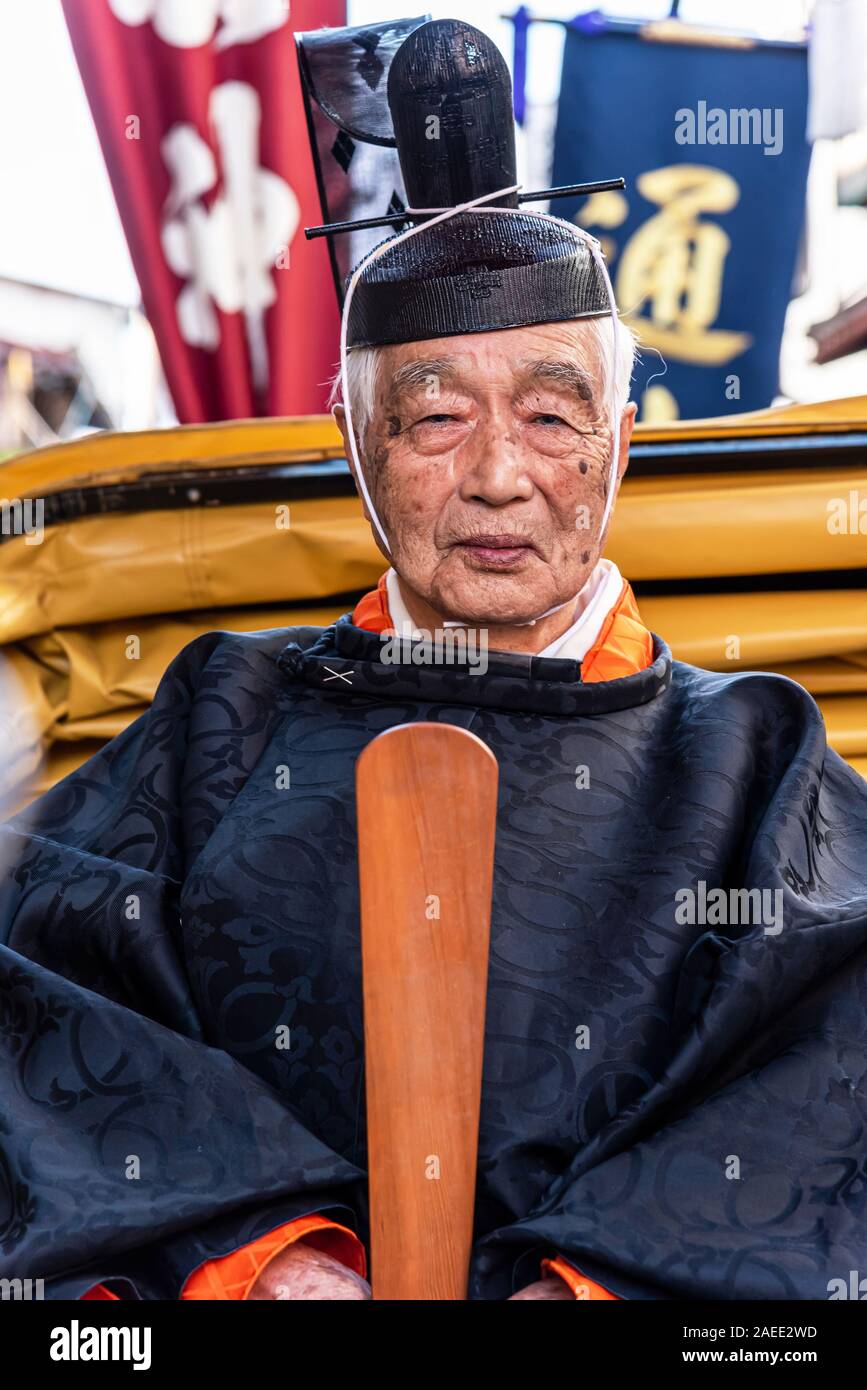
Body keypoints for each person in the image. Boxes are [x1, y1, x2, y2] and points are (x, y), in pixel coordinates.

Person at [1, 18, 866, 1303]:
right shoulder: (219, 720)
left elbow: (826, 1073)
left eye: (554, 414)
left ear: (622, 441)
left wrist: (583, 1286)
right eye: (437, 418)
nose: (500, 476)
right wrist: (273, 1263)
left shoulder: (757, 757)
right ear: (352, 441)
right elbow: (42, 993)